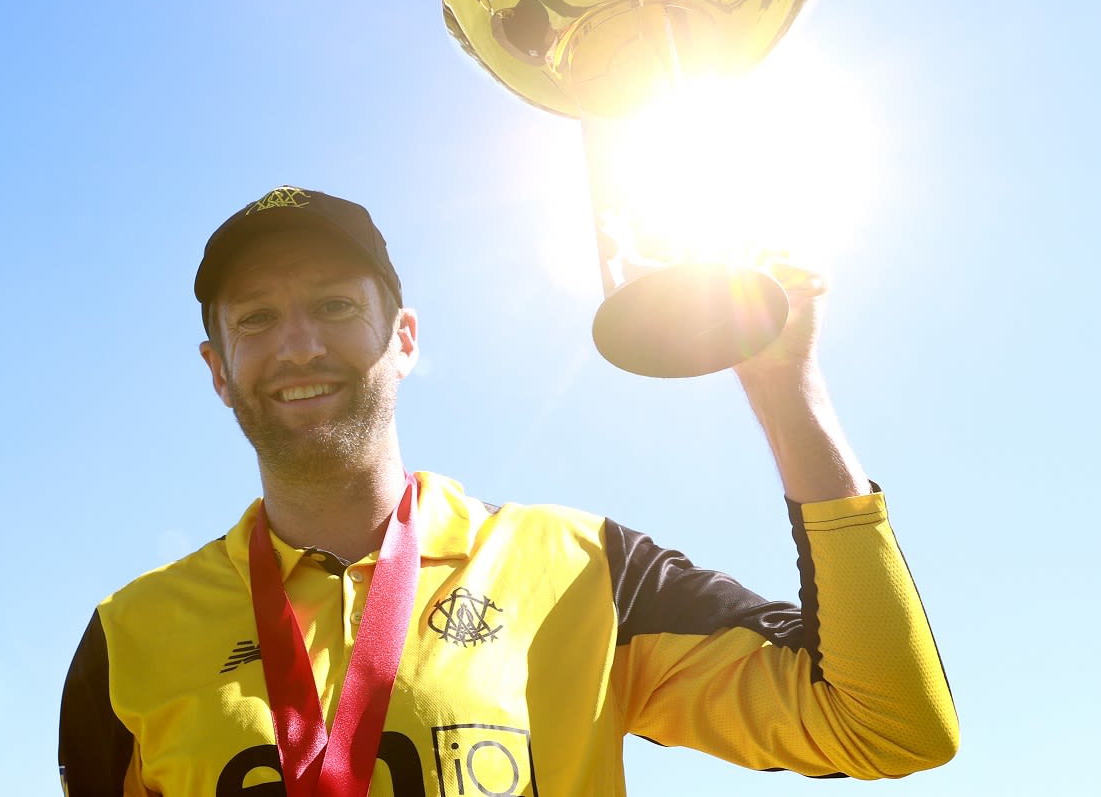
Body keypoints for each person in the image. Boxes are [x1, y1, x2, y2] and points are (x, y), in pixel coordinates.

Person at [58, 186, 959, 796]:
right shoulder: (126, 639)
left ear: (403, 337)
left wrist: (786, 394)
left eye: (335, 305)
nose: (297, 345)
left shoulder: (580, 571)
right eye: (256, 320)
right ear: (218, 369)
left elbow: (888, 723)